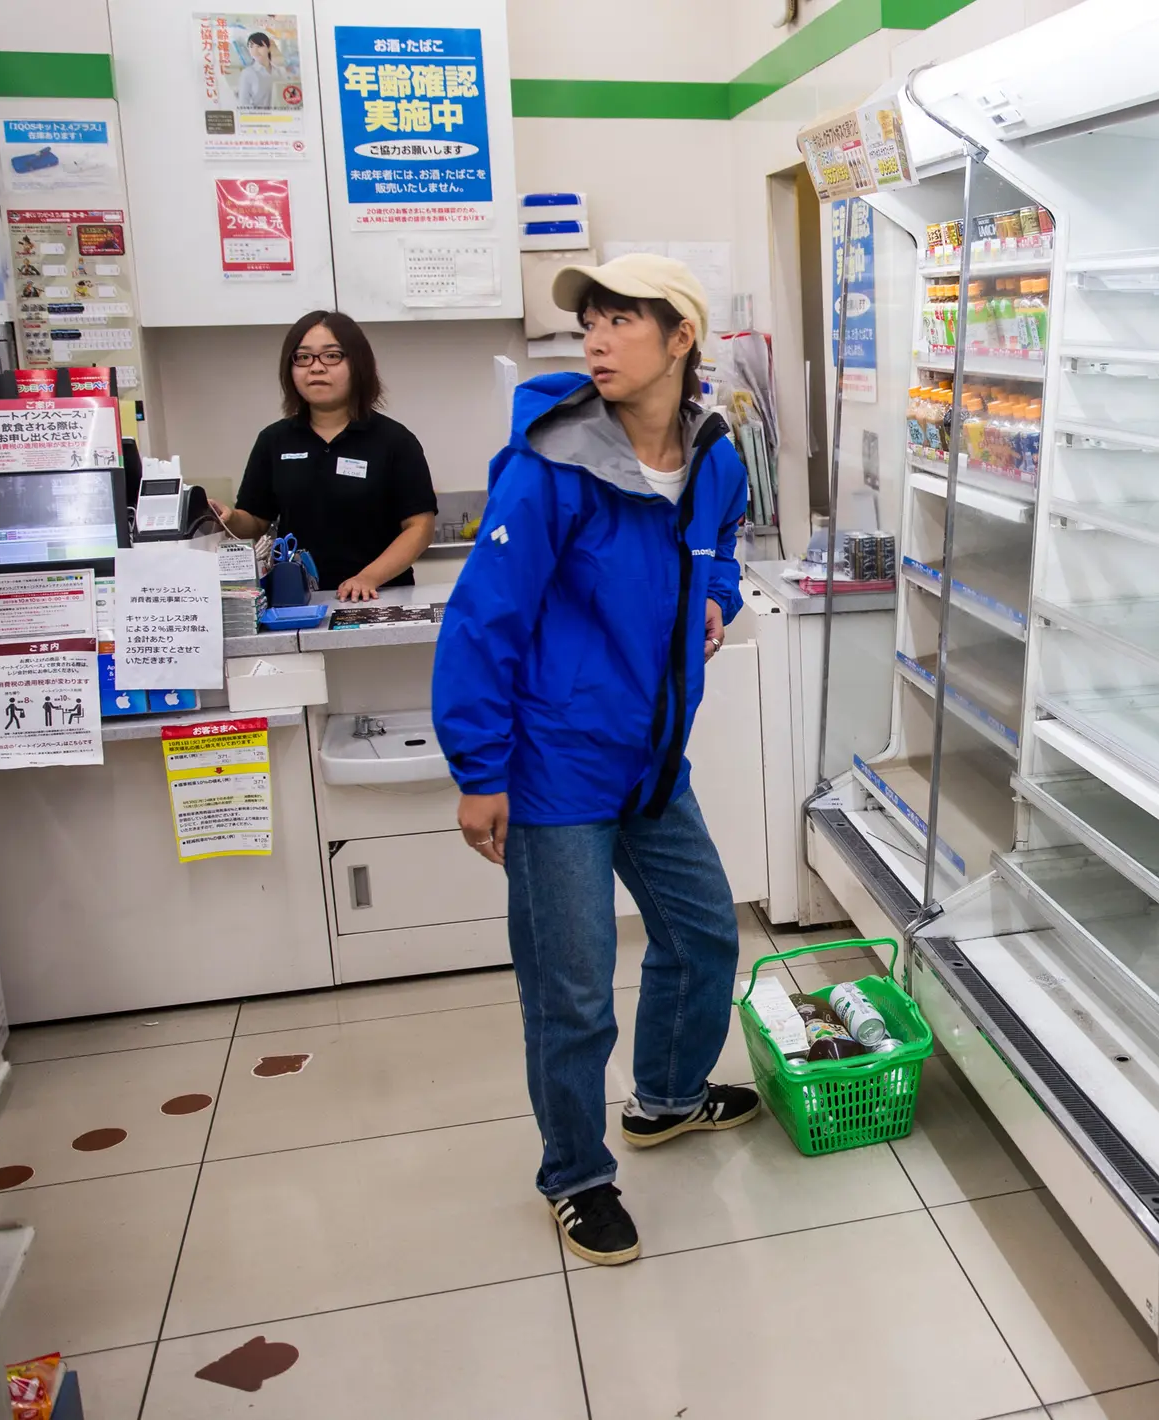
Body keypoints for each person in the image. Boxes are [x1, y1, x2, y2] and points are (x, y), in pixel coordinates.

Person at [431, 253, 756, 1267]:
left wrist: (718, 598)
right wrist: (479, 770)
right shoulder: (552, 465)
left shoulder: (715, 457)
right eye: (590, 324)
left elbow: (723, 548)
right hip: (555, 765)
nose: (597, 341)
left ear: (680, 338)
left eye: (622, 321)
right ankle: (575, 1174)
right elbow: (482, 618)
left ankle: (665, 1097)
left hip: (653, 759)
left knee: (703, 935)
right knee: (571, 991)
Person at [214, 312, 438, 601]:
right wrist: (229, 518)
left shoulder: (394, 440)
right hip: (297, 599)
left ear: (358, 364)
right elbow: (256, 521)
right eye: (303, 358)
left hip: (381, 596)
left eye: (331, 356)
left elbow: (420, 527)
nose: (316, 368)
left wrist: (367, 577)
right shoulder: (274, 440)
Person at [235, 30, 283, 111]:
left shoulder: (279, 72)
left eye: (259, 46)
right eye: (251, 46)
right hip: (259, 117)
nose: (255, 50)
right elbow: (244, 104)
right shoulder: (248, 73)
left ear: (268, 48)